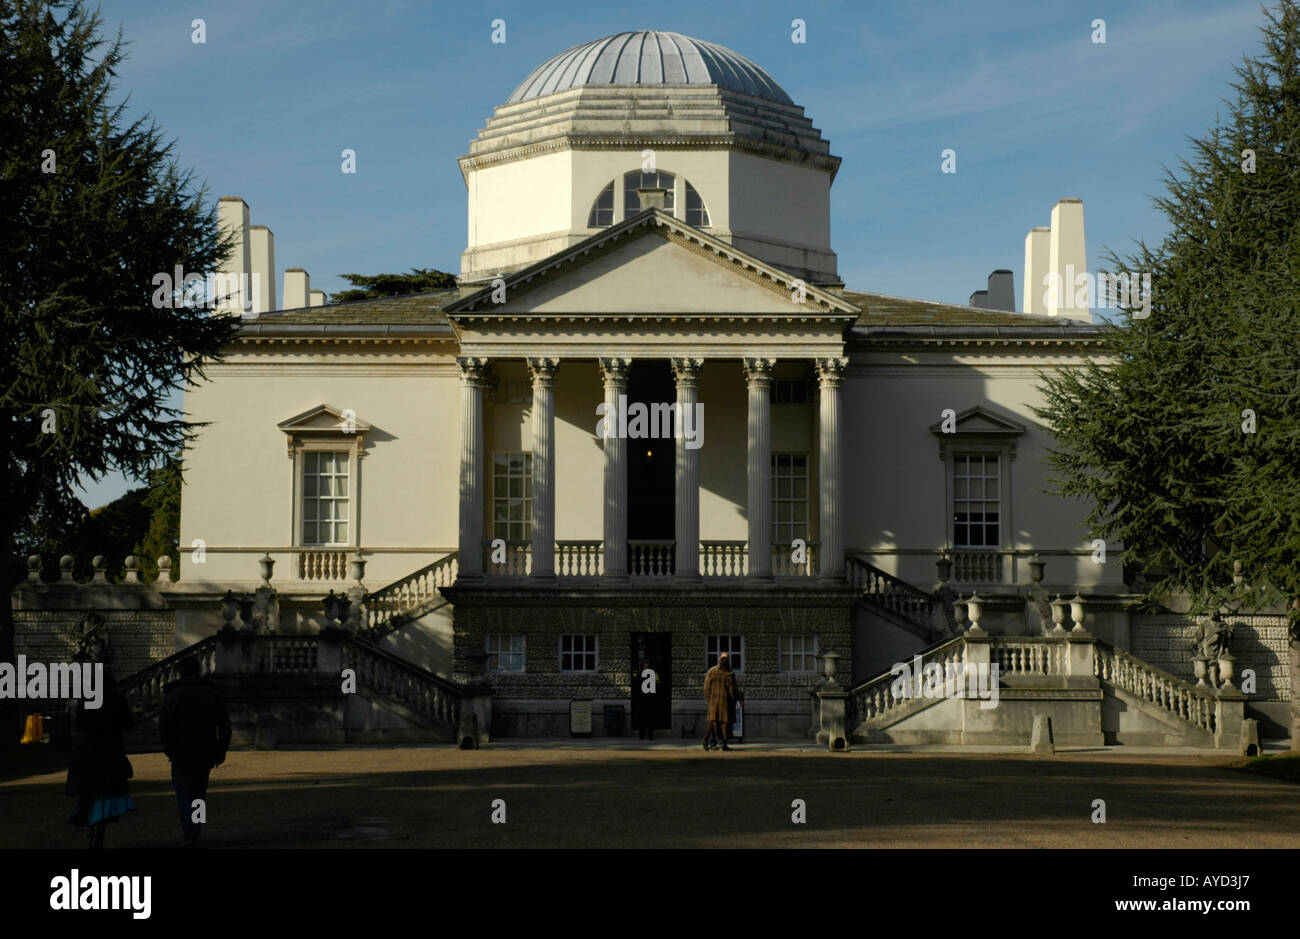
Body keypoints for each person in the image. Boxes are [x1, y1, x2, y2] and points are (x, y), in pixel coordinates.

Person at [160, 657, 231, 846]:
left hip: (181, 752)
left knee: (184, 794)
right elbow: (224, 725)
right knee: (199, 795)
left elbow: (165, 726)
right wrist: (221, 749)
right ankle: (196, 830)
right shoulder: (211, 693)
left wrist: (168, 748)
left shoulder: (173, 695)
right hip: (205, 751)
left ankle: (189, 832)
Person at [66, 668, 135, 849]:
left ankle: (91, 829)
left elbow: (80, 725)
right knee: (106, 795)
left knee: (89, 793)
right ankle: (99, 832)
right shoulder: (118, 699)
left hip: (89, 752)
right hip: (111, 752)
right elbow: (128, 724)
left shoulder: (87, 700)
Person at [703, 653, 741, 751]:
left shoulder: (712, 671)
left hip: (713, 701)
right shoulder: (729, 673)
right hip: (725, 702)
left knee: (713, 722)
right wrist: (734, 701)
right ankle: (722, 743)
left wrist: (709, 699)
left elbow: (706, 687)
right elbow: (733, 690)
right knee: (724, 723)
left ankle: (708, 740)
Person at [636, 658, 659, 740]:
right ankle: (641, 734)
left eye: (647, 664)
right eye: (644, 664)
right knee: (642, 718)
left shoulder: (653, 674)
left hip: (650, 699)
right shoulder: (639, 674)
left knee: (650, 718)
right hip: (642, 699)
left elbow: (658, 684)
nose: (646, 666)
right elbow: (637, 686)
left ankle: (650, 735)